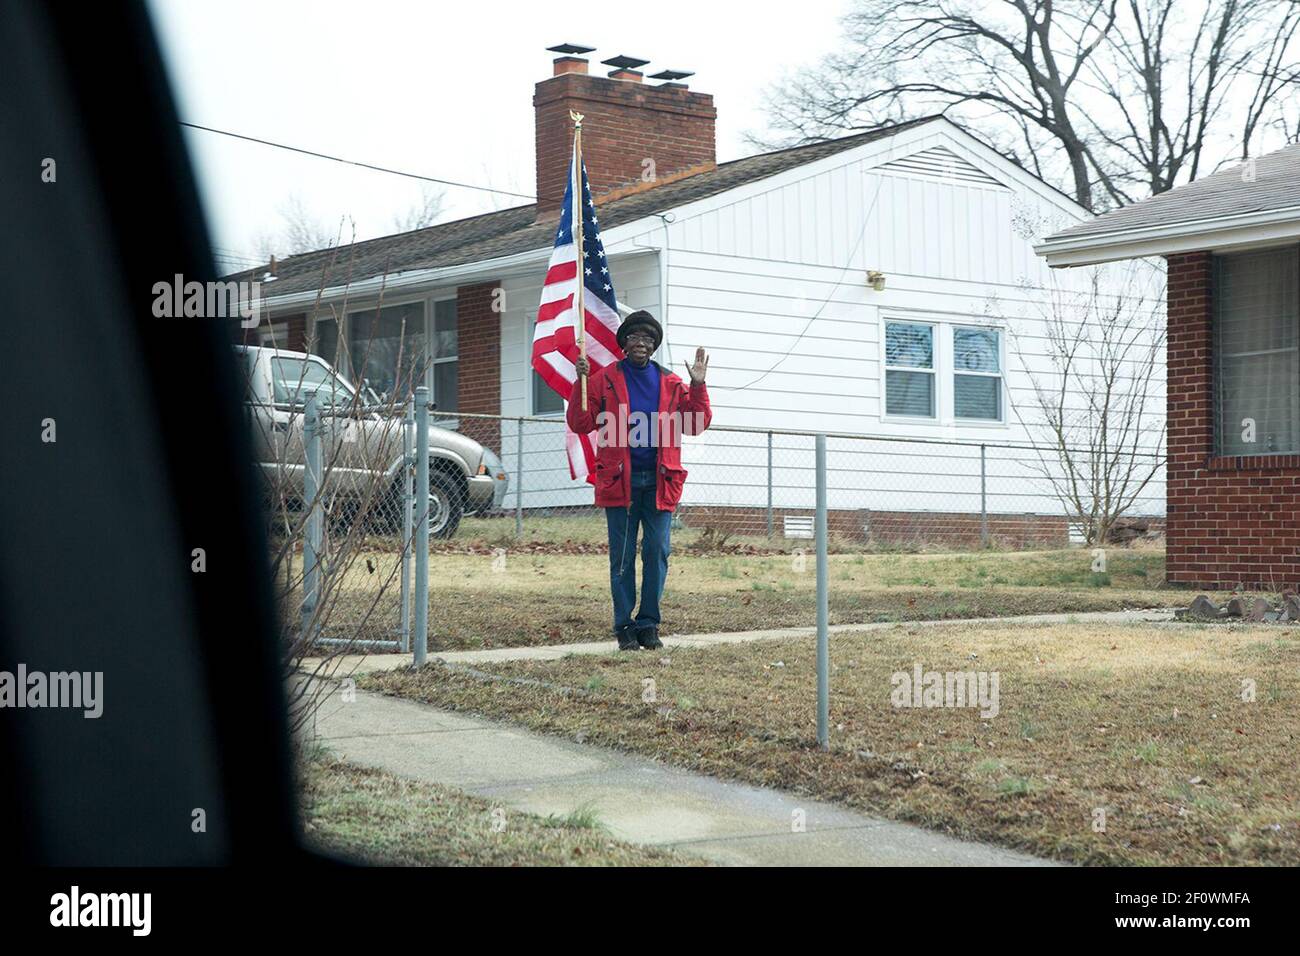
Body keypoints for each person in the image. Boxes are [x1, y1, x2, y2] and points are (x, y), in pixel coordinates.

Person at [568, 310, 711, 650]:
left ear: (654, 346)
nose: (641, 344)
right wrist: (580, 382)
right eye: (634, 338)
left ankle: (648, 623)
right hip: (621, 481)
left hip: (660, 481)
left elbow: (695, 424)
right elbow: (581, 422)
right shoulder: (604, 380)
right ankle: (624, 626)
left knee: (657, 551)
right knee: (622, 556)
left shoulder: (672, 383)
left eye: (648, 339)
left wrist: (698, 384)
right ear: (624, 344)